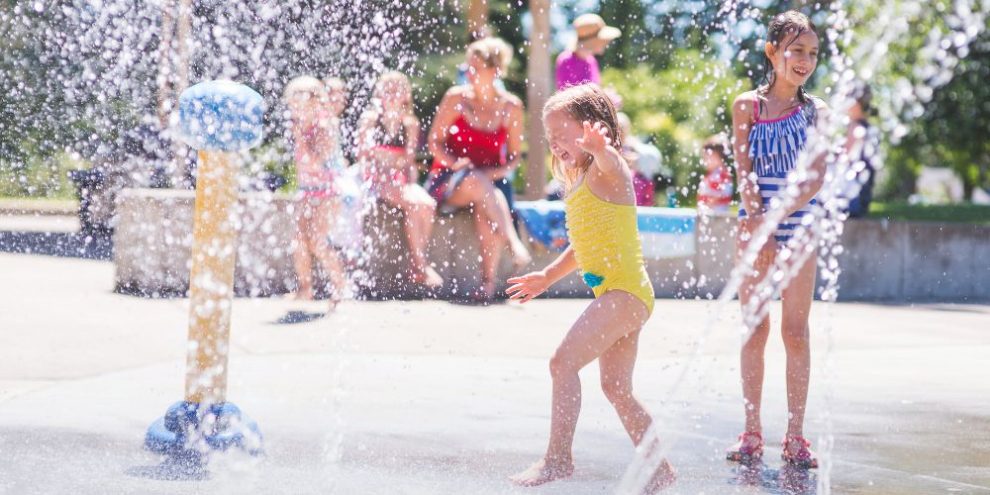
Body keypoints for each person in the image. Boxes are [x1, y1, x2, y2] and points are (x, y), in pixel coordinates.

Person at [505, 84, 675, 491]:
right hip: (623, 293)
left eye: (563, 137)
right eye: (550, 139)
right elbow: (583, 247)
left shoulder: (607, 169)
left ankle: (557, 459)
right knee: (617, 388)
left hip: (625, 292)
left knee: (562, 363)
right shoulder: (580, 179)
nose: (556, 146)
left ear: (590, 130)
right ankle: (660, 468)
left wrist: (600, 147)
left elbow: (611, 158)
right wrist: (547, 277)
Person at [727, 10, 829, 469]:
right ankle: (751, 432)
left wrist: (776, 220)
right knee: (754, 326)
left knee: (794, 331)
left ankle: (795, 436)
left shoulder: (815, 112)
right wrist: (756, 220)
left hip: (799, 227)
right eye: (796, 50)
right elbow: (743, 169)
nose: (804, 60)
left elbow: (815, 178)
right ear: (772, 52)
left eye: (812, 53)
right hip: (754, 223)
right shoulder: (746, 106)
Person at [426, 37, 531, 302]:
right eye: (468, 67)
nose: (468, 72)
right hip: (450, 179)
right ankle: (513, 240)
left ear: (495, 71)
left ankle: (487, 283)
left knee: (487, 206)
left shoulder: (512, 107)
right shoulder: (455, 98)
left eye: (475, 67)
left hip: (491, 182)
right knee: (479, 185)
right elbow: (434, 143)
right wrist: (452, 162)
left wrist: (493, 174)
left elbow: (515, 156)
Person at [357, 71, 443, 288]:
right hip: (374, 177)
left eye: (398, 89)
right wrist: (388, 162)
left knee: (428, 204)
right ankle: (421, 265)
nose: (393, 94)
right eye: (389, 89)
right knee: (414, 204)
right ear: (379, 94)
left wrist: (391, 161)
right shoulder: (370, 120)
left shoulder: (410, 123)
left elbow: (408, 160)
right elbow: (363, 155)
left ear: (406, 95)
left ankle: (417, 264)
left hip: (398, 179)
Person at [283, 76, 347, 309]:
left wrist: (301, 136)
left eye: (302, 97)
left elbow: (316, 160)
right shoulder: (301, 125)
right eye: (293, 98)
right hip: (306, 190)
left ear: (316, 100)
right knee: (299, 240)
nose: (296, 103)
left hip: (328, 191)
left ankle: (340, 287)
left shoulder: (325, 125)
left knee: (318, 241)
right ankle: (305, 288)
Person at [555, 13, 621, 90]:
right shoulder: (566, 60)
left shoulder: (591, 61)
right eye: (603, 40)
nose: (606, 43)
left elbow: (595, 90)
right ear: (593, 42)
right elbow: (565, 95)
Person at [842, 81, 878, 218]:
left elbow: (842, 159)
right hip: (863, 194)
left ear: (856, 104)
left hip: (851, 198)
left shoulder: (855, 129)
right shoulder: (869, 128)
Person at [617, 112, 660, 206]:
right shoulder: (611, 146)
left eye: (622, 128)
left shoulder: (633, 145)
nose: (620, 132)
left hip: (635, 185)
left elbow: (639, 162)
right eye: (618, 128)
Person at [696, 134, 734, 213]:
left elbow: (718, 195)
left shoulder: (721, 175)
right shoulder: (713, 174)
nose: (705, 161)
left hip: (717, 215)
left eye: (708, 158)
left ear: (719, 157)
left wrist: (705, 207)